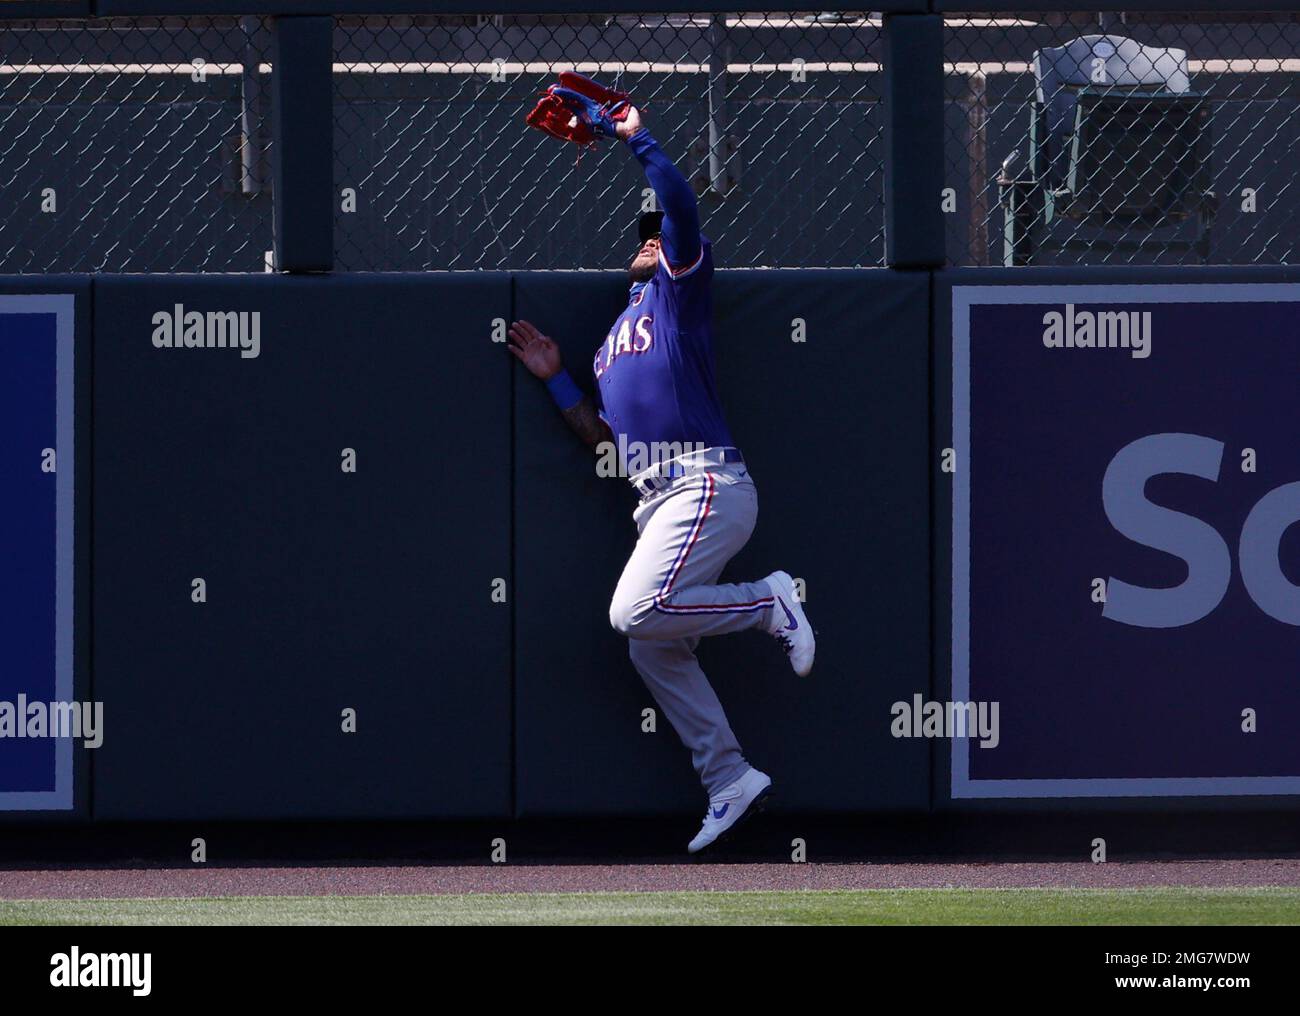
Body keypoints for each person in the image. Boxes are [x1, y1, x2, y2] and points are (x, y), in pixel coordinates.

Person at [507, 102, 815, 854]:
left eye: (660, 239)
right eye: (643, 240)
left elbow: (677, 203)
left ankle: (770, 603)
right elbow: (604, 442)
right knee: (651, 643)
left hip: (705, 482)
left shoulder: (680, 296)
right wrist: (556, 382)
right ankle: (729, 777)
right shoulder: (614, 342)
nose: (652, 243)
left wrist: (632, 135)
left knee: (631, 613)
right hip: (657, 499)